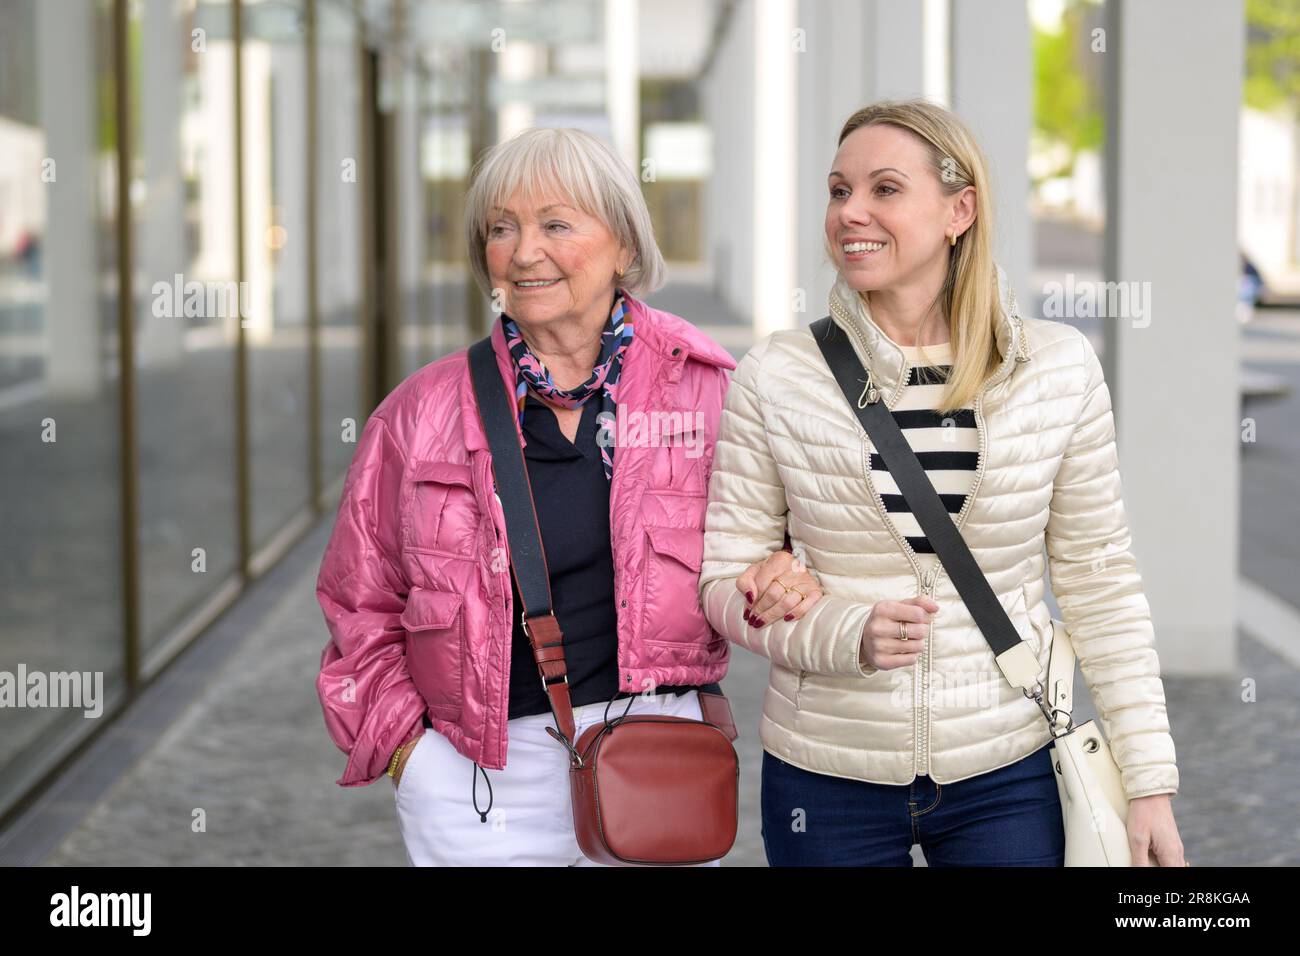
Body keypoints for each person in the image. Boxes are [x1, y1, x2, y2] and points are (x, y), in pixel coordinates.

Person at [699, 99, 1186, 867]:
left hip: (1006, 772)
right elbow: (725, 582)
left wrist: (1149, 778)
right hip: (826, 778)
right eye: (838, 190)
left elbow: (1100, 583)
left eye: (884, 189)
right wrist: (842, 630)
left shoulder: (1057, 370)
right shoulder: (778, 375)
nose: (850, 212)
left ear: (960, 210)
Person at [314, 126, 818, 866]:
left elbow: (781, 551)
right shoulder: (419, 415)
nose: (523, 252)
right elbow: (359, 602)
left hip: (656, 753)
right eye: (501, 228)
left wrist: (784, 579)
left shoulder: (710, 392)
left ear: (624, 246)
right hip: (476, 779)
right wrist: (409, 757)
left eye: (555, 223)